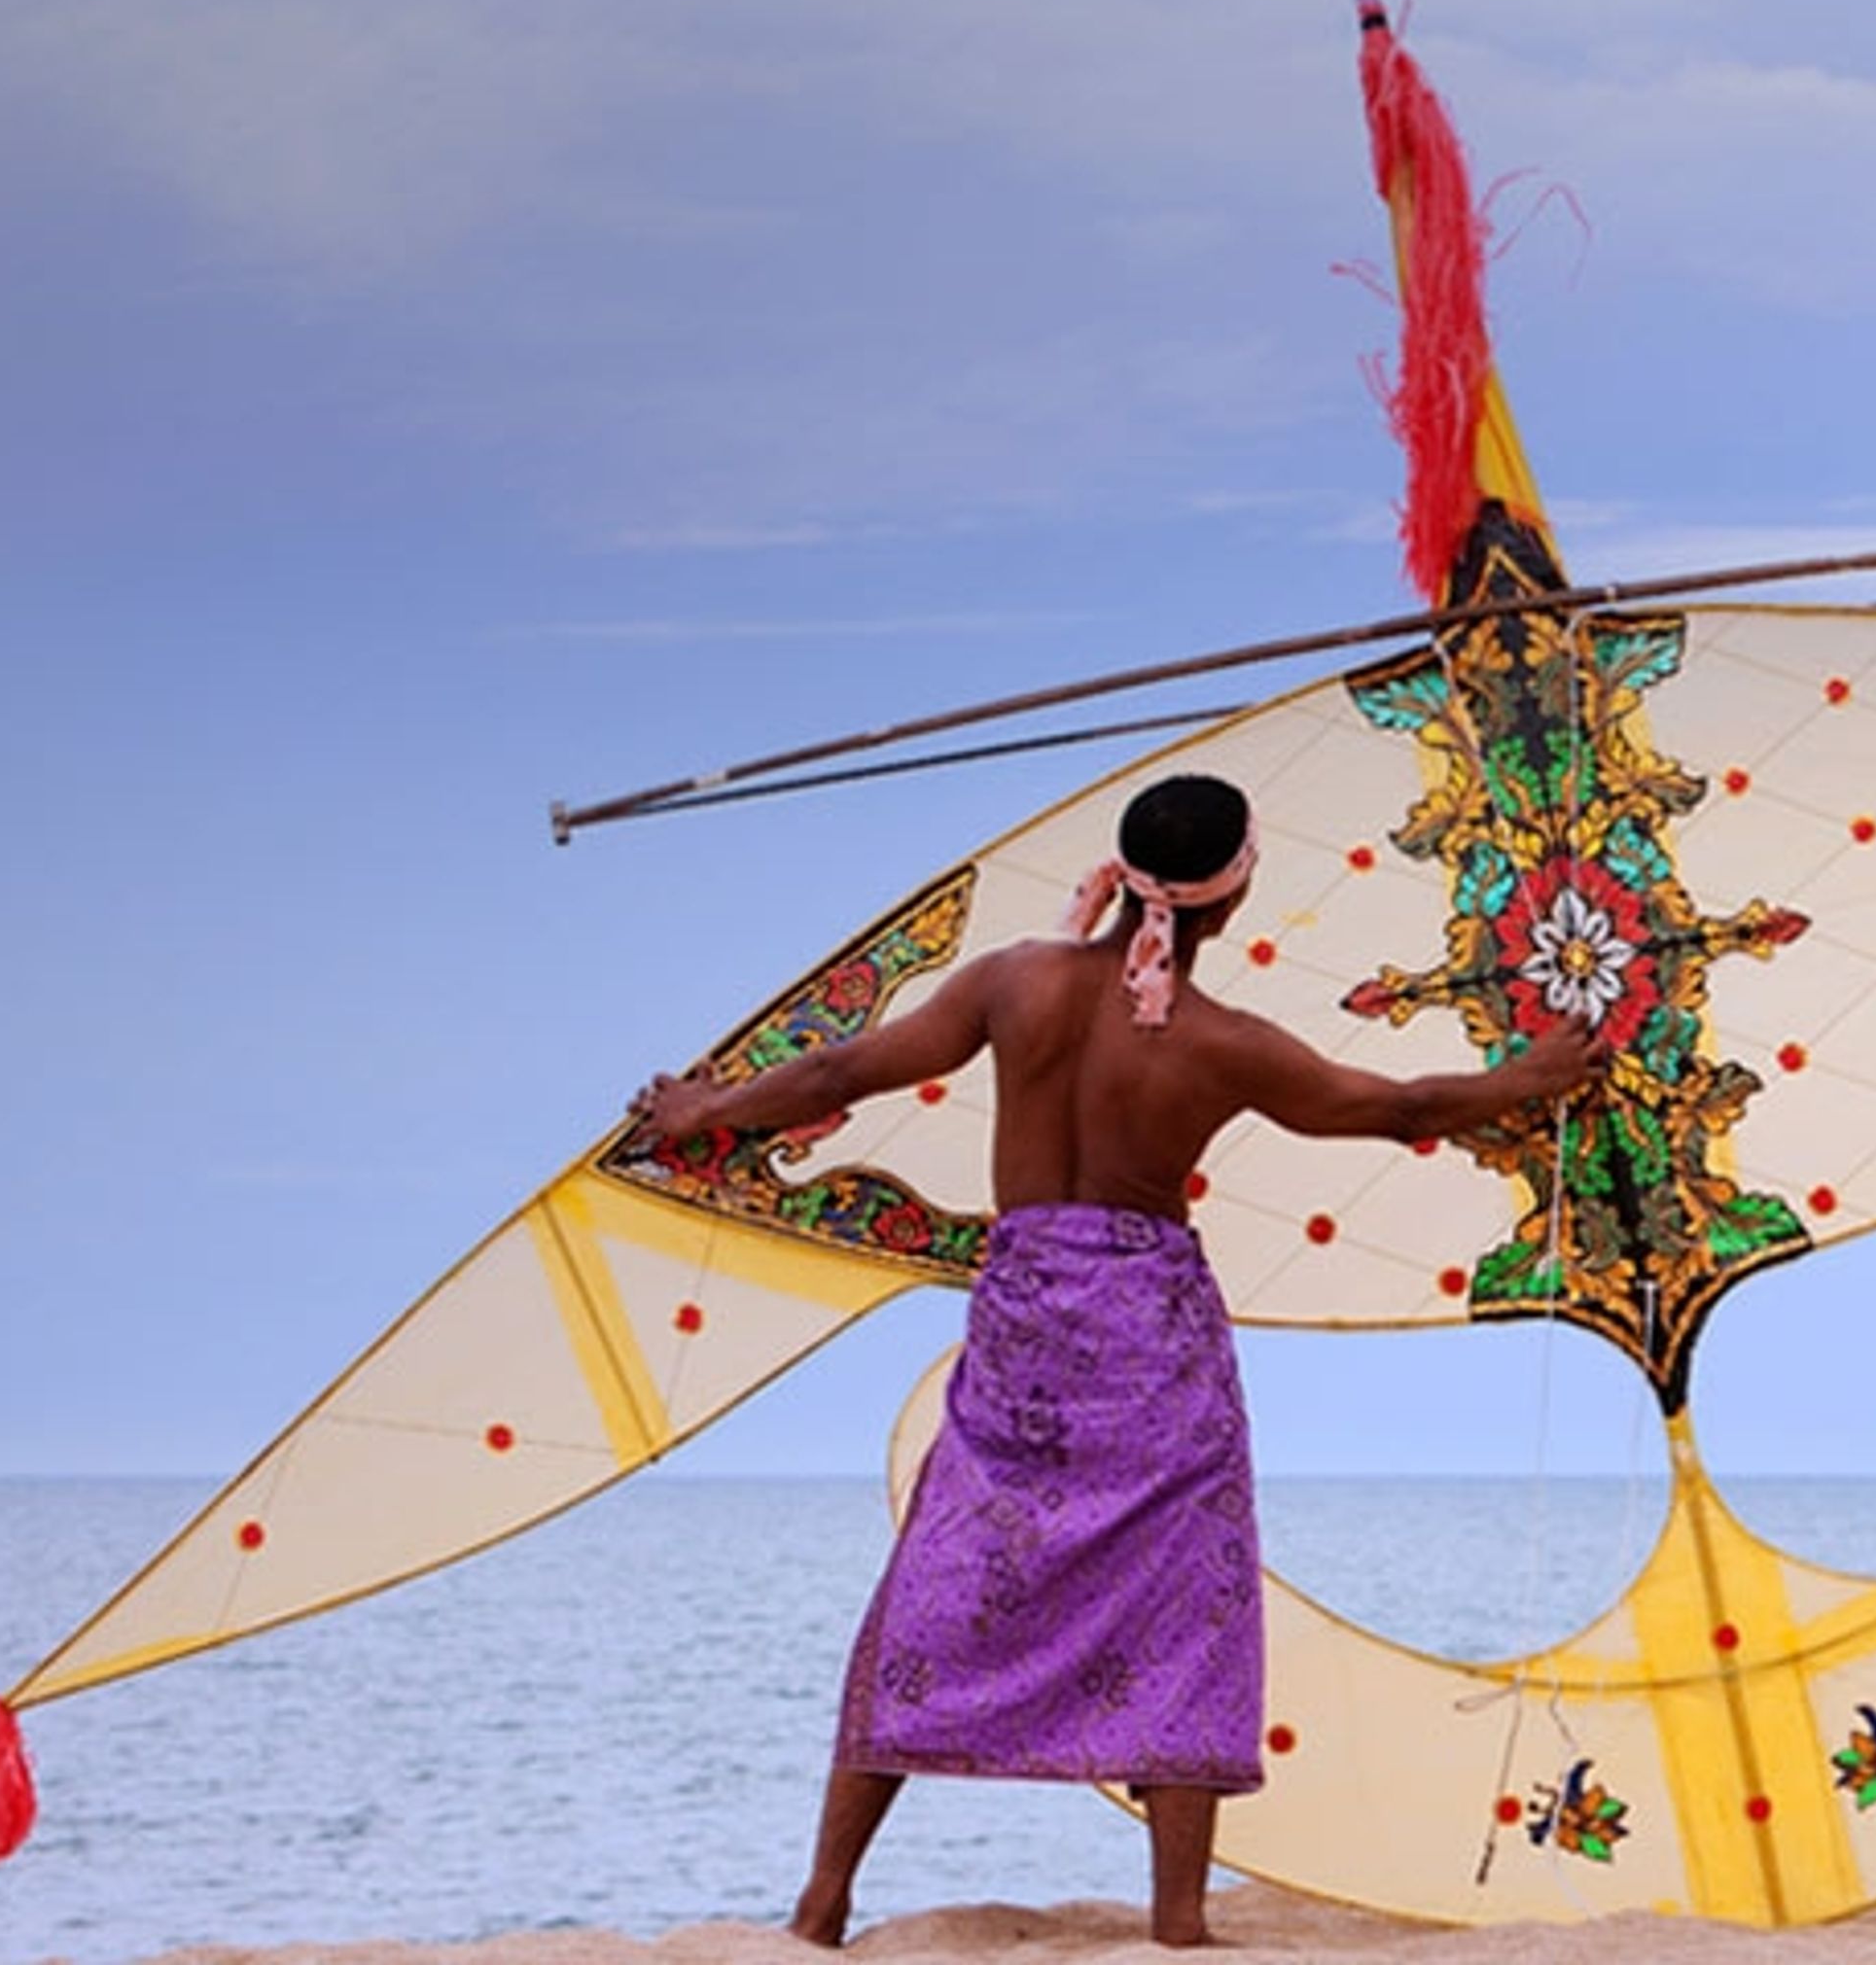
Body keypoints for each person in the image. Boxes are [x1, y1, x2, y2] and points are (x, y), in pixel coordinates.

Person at [632, 773, 1596, 1948]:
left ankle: (823, 1903)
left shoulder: (1012, 983)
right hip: (1150, 1330)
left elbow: (839, 1076)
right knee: (1186, 1592)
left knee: (941, 1570)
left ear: (1127, 876)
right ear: (1231, 899)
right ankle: (1177, 1920)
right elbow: (1397, 1108)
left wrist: (704, 1111)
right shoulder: (1226, 1044)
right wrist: (1526, 1079)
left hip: (1027, 1316)